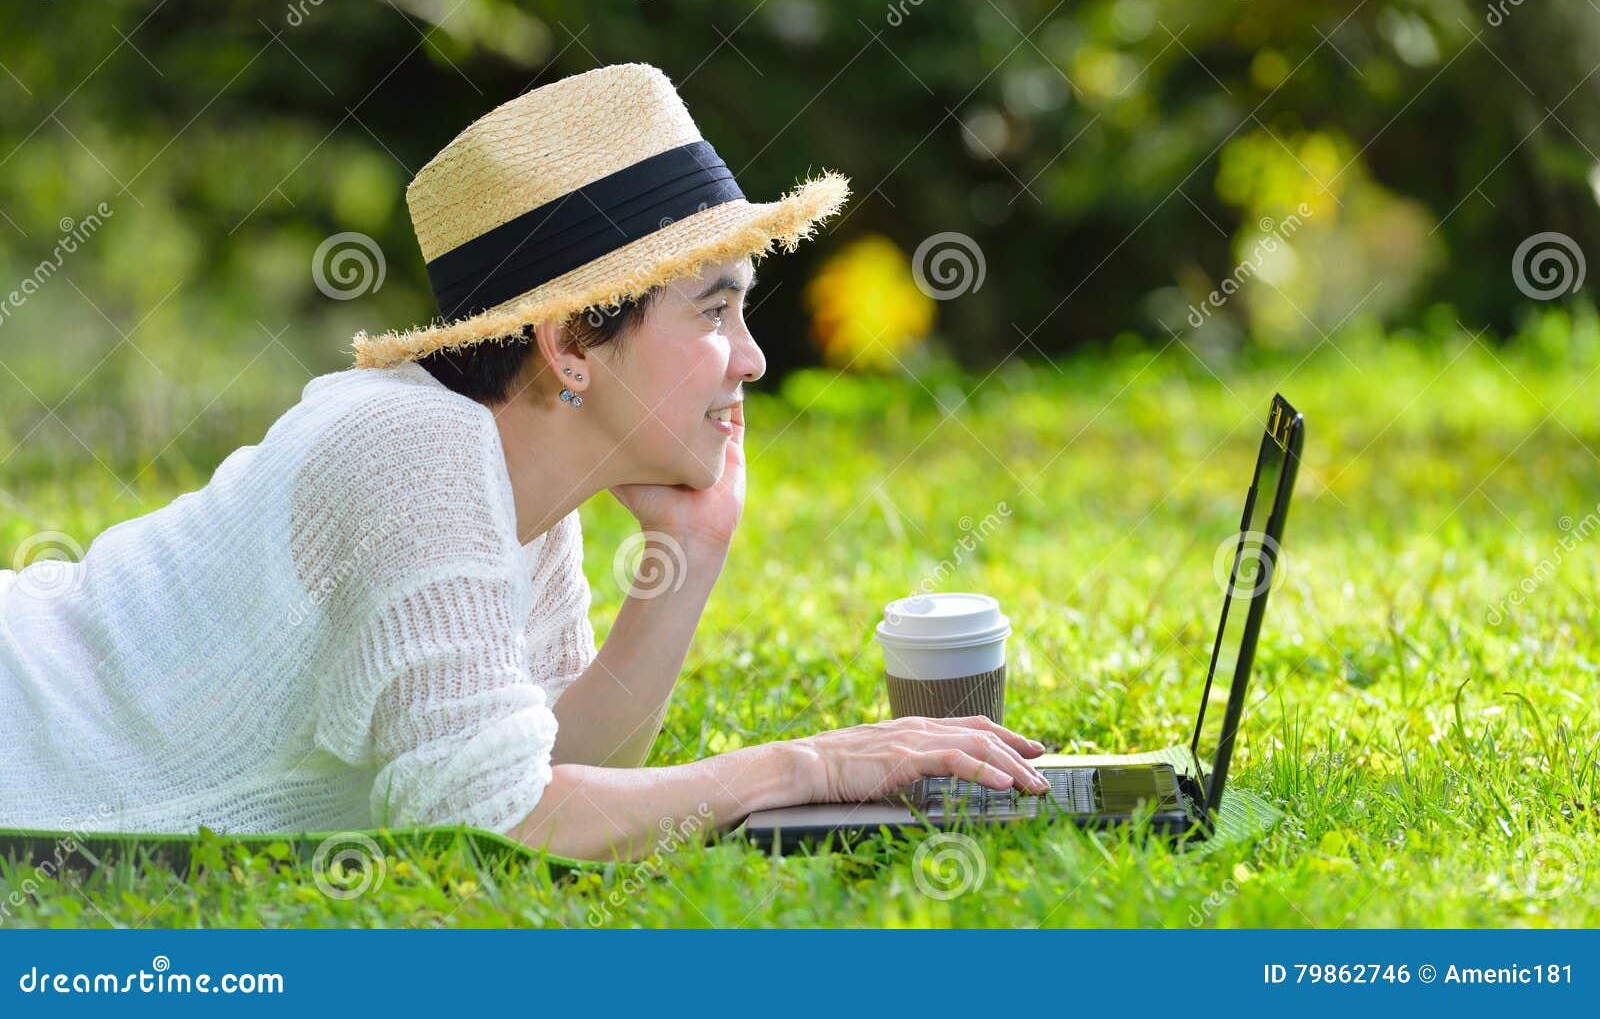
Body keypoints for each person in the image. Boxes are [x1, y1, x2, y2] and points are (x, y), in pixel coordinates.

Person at [0, 63, 1047, 863]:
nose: (753, 357)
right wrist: (810, 767)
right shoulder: (414, 448)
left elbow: (557, 773)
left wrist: (688, 554)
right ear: (571, 344)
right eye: (715, 311)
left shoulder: (519, 480)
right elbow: (487, 819)